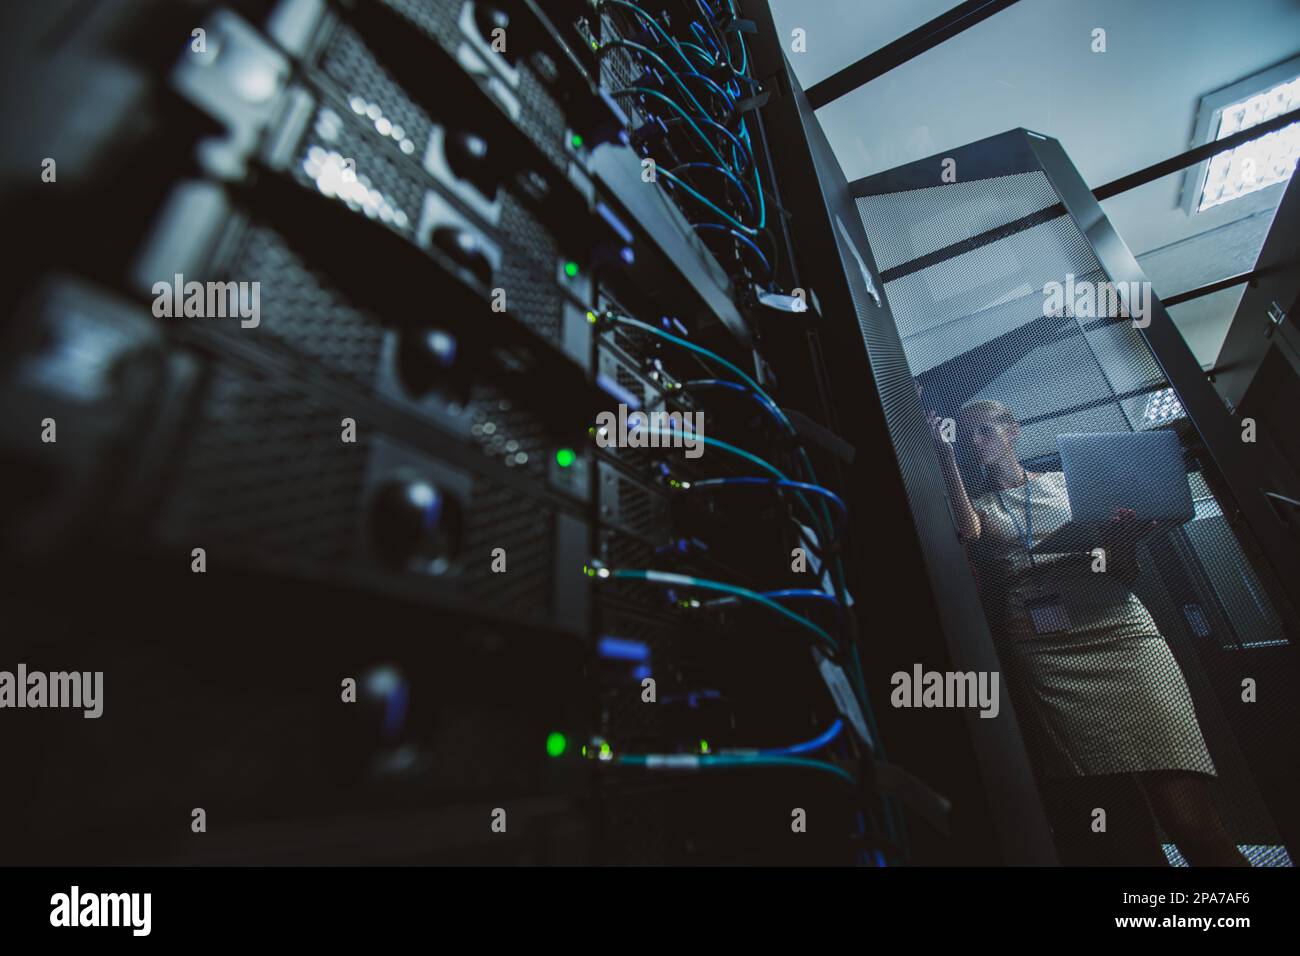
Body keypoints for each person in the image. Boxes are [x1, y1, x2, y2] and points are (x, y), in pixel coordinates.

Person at [928, 396, 1247, 867]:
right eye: (967, 435)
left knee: (1193, 825)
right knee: (1120, 836)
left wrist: (1120, 541)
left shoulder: (1069, 486)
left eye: (985, 431)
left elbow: (1121, 572)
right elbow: (969, 534)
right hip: (1046, 652)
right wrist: (946, 455)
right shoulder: (975, 504)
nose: (977, 443)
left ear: (1012, 429)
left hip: (1120, 634)